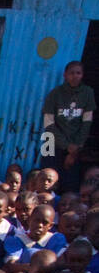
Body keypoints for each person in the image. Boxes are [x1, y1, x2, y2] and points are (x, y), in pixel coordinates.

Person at [41, 61, 95, 194]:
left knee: (70, 185)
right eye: (72, 73)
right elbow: (49, 124)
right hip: (53, 144)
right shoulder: (55, 94)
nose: (75, 76)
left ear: (82, 75)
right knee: (48, 182)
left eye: (78, 73)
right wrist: (66, 146)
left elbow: (87, 123)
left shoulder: (88, 93)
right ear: (65, 75)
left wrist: (75, 148)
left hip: (76, 147)